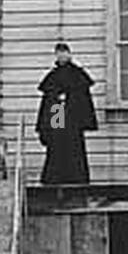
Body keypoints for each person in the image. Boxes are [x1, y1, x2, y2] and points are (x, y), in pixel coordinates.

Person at [35, 41, 98, 184]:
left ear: (69, 54)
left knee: (74, 147)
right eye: (59, 53)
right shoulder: (53, 76)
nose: (62, 56)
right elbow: (47, 102)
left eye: (64, 52)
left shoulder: (78, 74)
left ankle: (76, 179)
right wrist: (43, 127)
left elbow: (84, 100)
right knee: (56, 145)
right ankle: (55, 179)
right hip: (57, 113)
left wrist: (82, 117)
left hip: (73, 117)